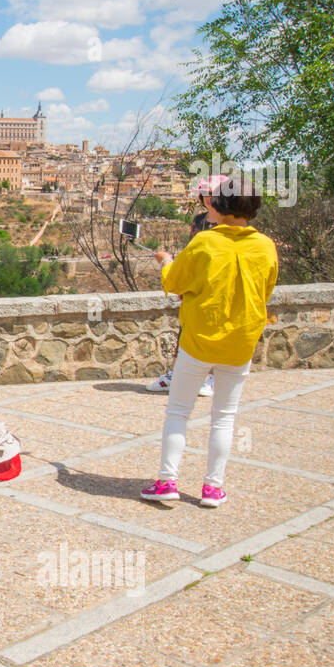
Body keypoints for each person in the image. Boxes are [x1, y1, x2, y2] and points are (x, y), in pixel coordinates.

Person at [140, 179, 278, 508]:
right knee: (224, 417)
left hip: (199, 340)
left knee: (178, 412)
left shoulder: (204, 243)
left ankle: (167, 481)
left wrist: (165, 261)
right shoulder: (265, 246)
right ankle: (212, 488)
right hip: (240, 343)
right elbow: (265, 290)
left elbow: (175, 283)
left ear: (218, 207)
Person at [145, 175, 228, 397]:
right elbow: (191, 254)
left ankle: (211, 378)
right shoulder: (200, 222)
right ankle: (175, 375)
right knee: (185, 333)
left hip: (218, 288)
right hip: (194, 288)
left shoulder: (230, 224)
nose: (209, 199)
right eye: (206, 194)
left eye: (213, 194)